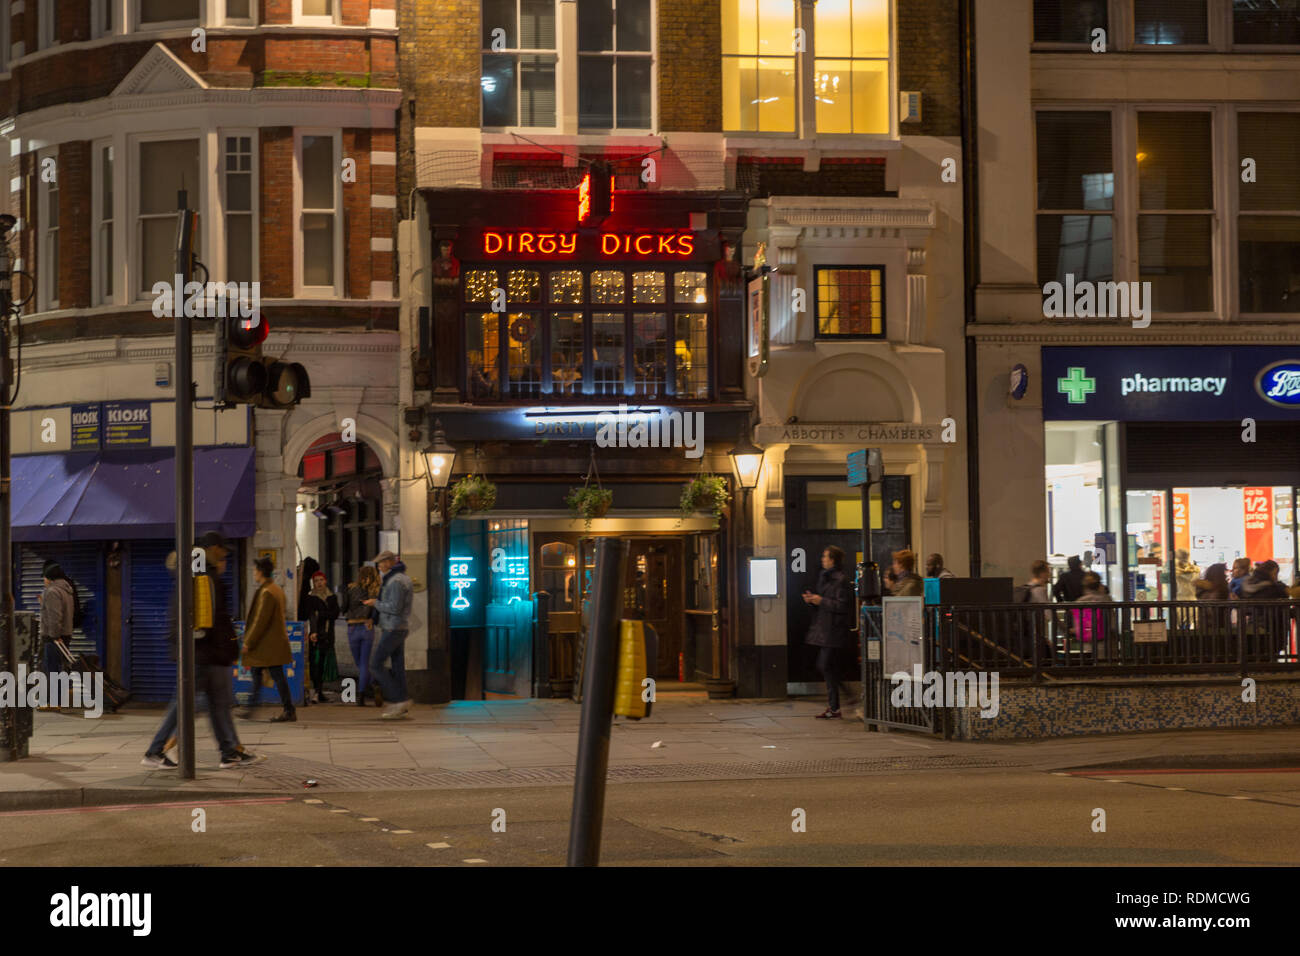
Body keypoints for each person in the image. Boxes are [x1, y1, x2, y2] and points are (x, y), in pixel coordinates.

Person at [141, 531, 263, 770]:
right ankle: (155, 751)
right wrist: (220, 647)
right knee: (184, 704)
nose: (224, 554)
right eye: (221, 549)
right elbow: (206, 619)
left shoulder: (198, 574)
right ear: (211, 549)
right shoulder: (201, 576)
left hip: (207, 652)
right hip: (203, 653)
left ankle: (229, 752)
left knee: (217, 704)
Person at [237, 557, 295, 722]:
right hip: (272, 643)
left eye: (255, 570)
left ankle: (288, 710)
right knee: (259, 673)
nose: (254, 573)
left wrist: (248, 641)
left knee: (276, 675)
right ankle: (251, 708)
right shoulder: (275, 589)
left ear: (261, 572)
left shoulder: (267, 592)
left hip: (269, 645)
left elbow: (260, 621)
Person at [802, 546, 855, 719]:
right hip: (825, 628)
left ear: (832, 560)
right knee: (828, 666)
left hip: (834, 630)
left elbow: (842, 605)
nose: (822, 560)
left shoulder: (840, 580)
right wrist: (812, 600)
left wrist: (821, 600)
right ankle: (836, 705)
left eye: (825, 557)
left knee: (825, 665)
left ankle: (839, 703)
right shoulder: (826, 578)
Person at [364, 550, 414, 719]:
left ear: (389, 562)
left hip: (393, 628)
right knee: (397, 666)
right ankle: (402, 705)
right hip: (397, 627)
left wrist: (375, 603)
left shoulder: (395, 581)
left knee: (376, 664)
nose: (379, 567)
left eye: (381, 563)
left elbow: (394, 607)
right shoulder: (399, 578)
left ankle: (398, 700)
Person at [339, 564, 381, 706]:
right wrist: (372, 619)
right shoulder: (375, 591)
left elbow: (343, 608)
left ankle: (363, 693)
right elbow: (377, 610)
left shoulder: (352, 588)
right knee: (363, 663)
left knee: (359, 663)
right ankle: (369, 688)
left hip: (352, 627)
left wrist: (346, 594)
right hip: (367, 627)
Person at [303, 571, 340, 704]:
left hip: (328, 635)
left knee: (323, 664)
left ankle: (319, 691)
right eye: (316, 581)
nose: (318, 583)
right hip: (316, 635)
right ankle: (317, 692)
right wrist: (313, 632)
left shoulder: (332, 597)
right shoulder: (311, 598)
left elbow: (335, 614)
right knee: (315, 663)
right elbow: (312, 615)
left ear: (325, 581)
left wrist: (322, 614)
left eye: (321, 580)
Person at [39, 562, 76, 689]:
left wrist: (54, 636)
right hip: (65, 634)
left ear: (49, 577)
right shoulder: (67, 590)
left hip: (54, 638)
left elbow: (55, 617)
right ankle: (61, 698)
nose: (44, 580)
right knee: (61, 668)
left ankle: (55, 701)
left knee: (52, 668)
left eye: (44, 577)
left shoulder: (52, 592)